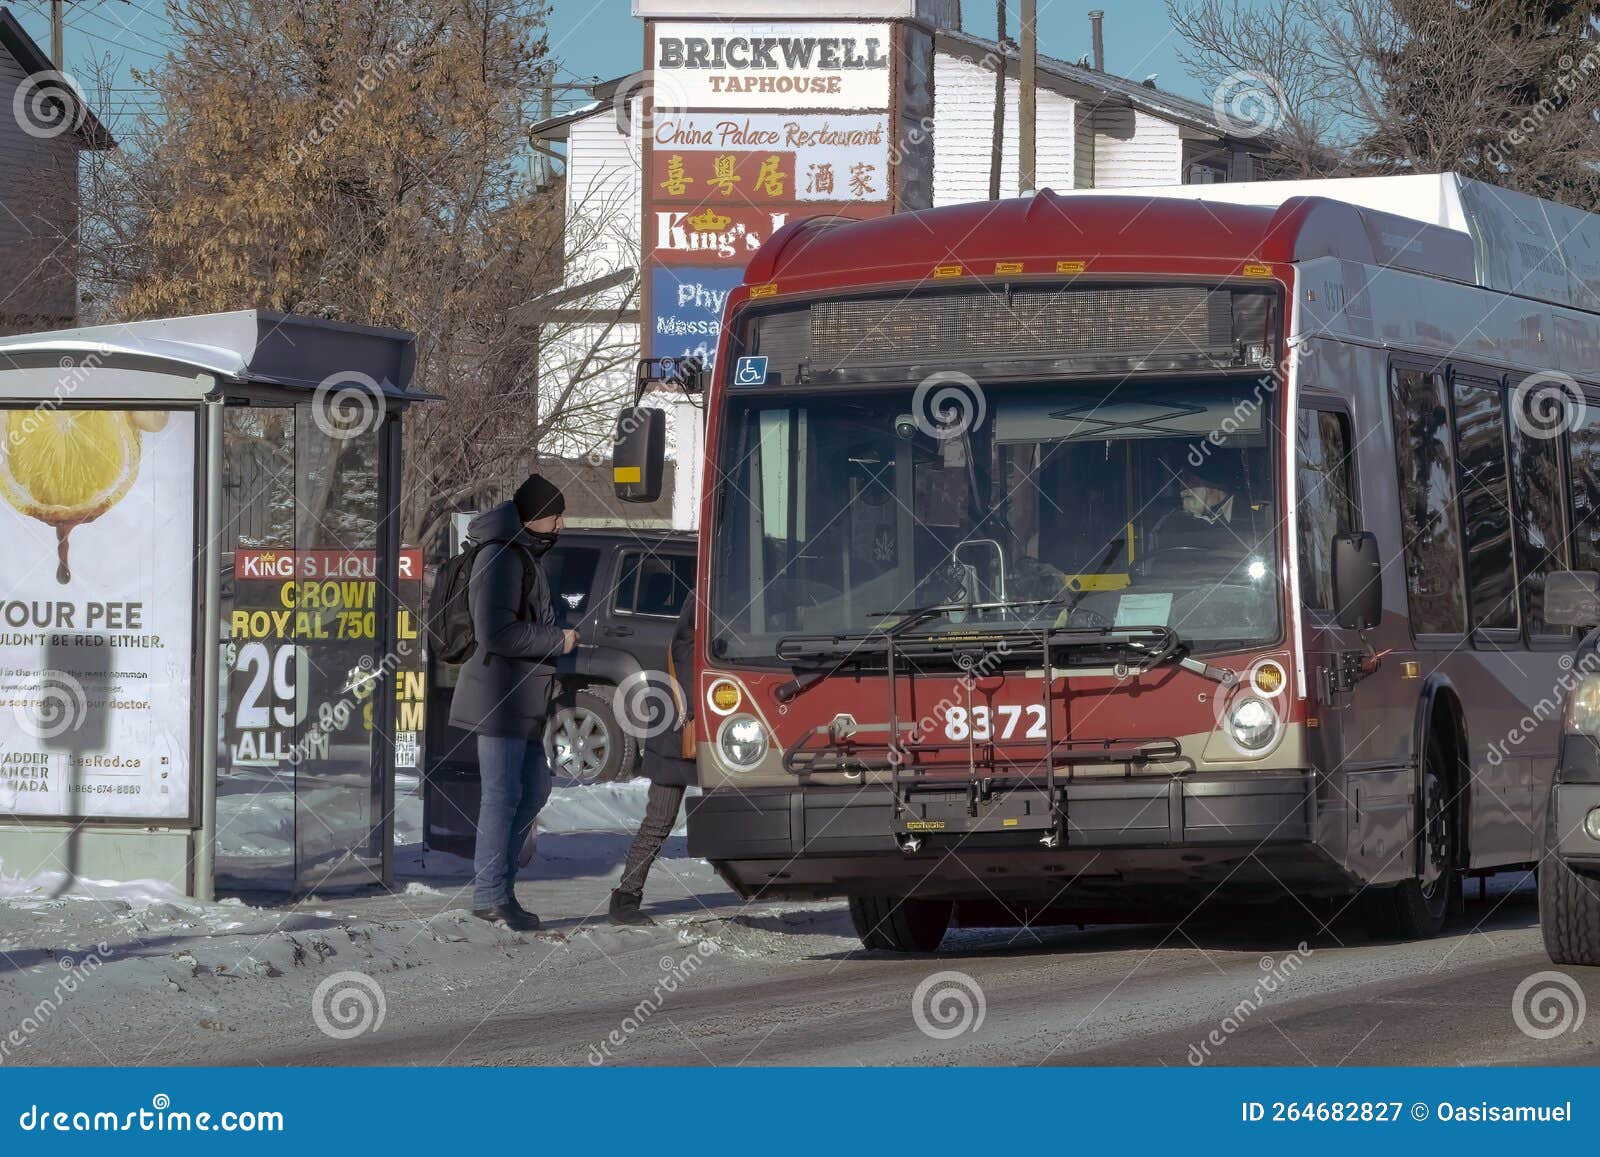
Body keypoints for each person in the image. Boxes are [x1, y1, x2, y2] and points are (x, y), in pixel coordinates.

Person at [447, 473, 579, 932]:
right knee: (502, 795)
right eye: (555, 515)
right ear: (534, 517)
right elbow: (495, 632)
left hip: (521, 696)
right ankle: (490, 896)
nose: (561, 525)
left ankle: (500, 888)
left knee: (534, 790)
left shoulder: (521, 553)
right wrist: (557, 640)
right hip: (498, 697)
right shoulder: (501, 556)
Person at [610, 597, 696, 926]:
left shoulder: (712, 596)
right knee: (660, 818)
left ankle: (626, 899)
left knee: (660, 819)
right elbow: (684, 651)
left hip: (693, 727)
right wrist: (694, 708)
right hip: (684, 730)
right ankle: (626, 898)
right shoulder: (707, 597)